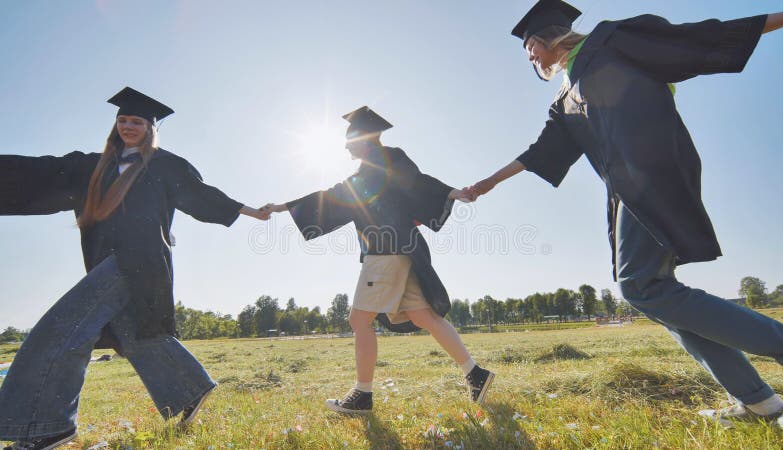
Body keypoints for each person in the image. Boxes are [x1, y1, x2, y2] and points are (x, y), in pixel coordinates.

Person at [468, 0, 783, 431]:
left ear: (548, 38)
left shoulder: (612, 40)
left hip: (655, 172)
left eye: (530, 46)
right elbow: (542, 152)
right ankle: (758, 402)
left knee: (641, 286)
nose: (529, 56)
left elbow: (699, 37)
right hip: (626, 190)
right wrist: (488, 183)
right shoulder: (565, 95)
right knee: (655, 292)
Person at [0, 87, 269, 450]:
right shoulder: (93, 166)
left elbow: (201, 195)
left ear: (150, 127)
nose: (129, 126)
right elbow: (40, 172)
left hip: (139, 262)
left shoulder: (164, 165)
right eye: (123, 119)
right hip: (106, 264)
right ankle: (187, 391)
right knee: (135, 330)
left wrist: (250, 210)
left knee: (62, 329)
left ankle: (48, 426)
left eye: (137, 121)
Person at [263, 106, 494, 414]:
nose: (345, 145)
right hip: (402, 251)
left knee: (359, 320)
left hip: (386, 252)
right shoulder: (368, 172)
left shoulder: (385, 162)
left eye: (350, 139)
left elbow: (418, 182)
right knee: (424, 315)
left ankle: (362, 394)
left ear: (365, 138)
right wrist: (283, 207)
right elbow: (338, 194)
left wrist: (454, 193)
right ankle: (475, 374)